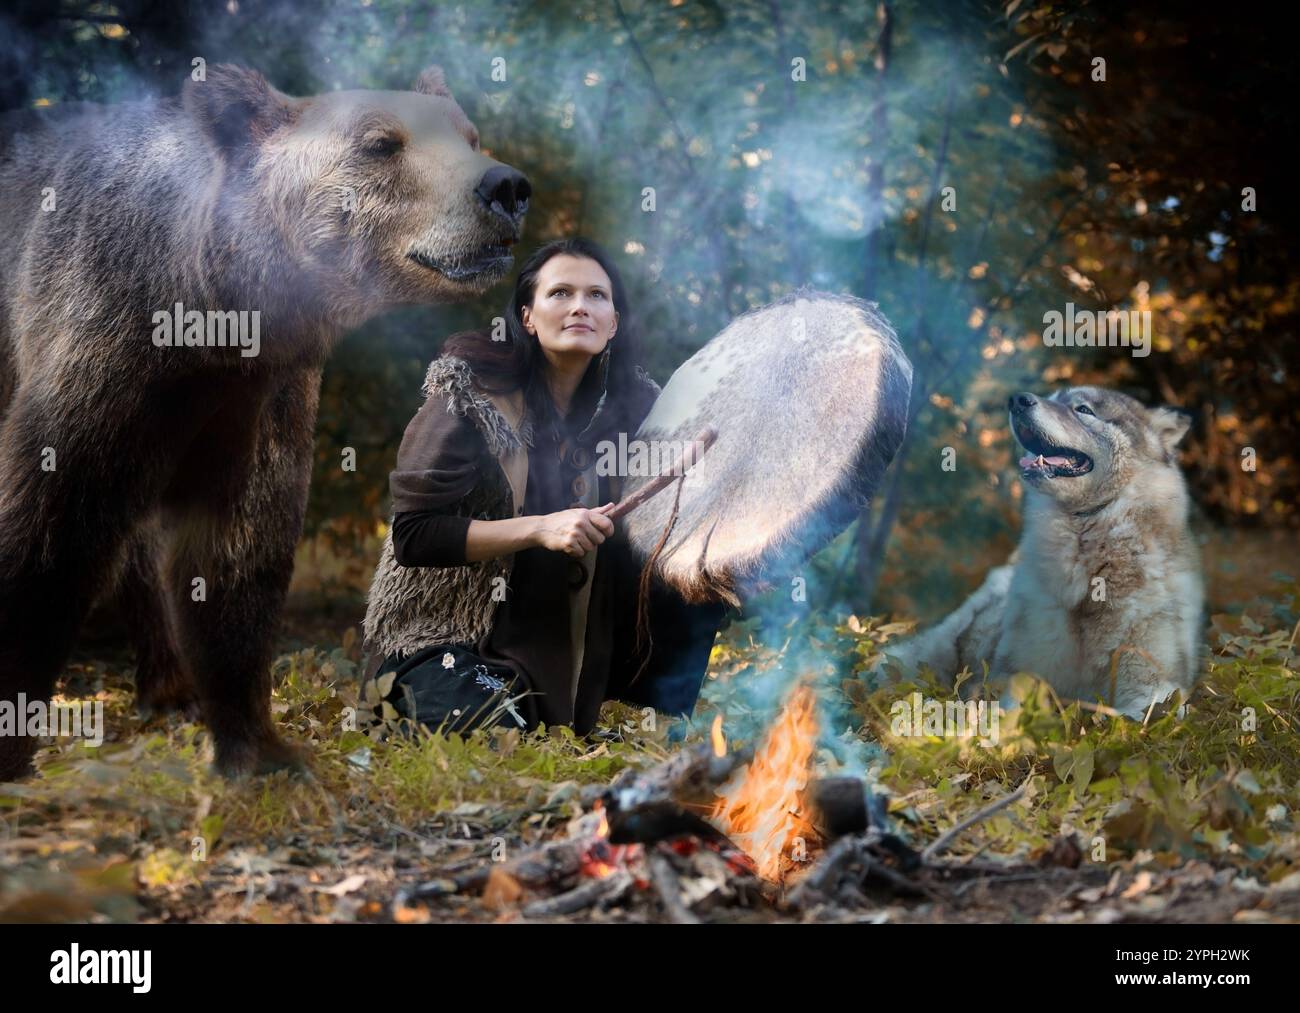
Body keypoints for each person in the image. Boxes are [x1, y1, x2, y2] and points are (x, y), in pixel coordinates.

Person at [361, 237, 725, 735]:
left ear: (613, 322)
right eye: (560, 293)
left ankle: (646, 713)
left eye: (597, 296)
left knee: (695, 575)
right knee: (496, 730)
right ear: (527, 316)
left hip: (575, 646)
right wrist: (539, 528)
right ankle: (441, 701)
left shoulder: (640, 410)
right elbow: (415, 535)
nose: (580, 306)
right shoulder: (469, 396)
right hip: (454, 642)